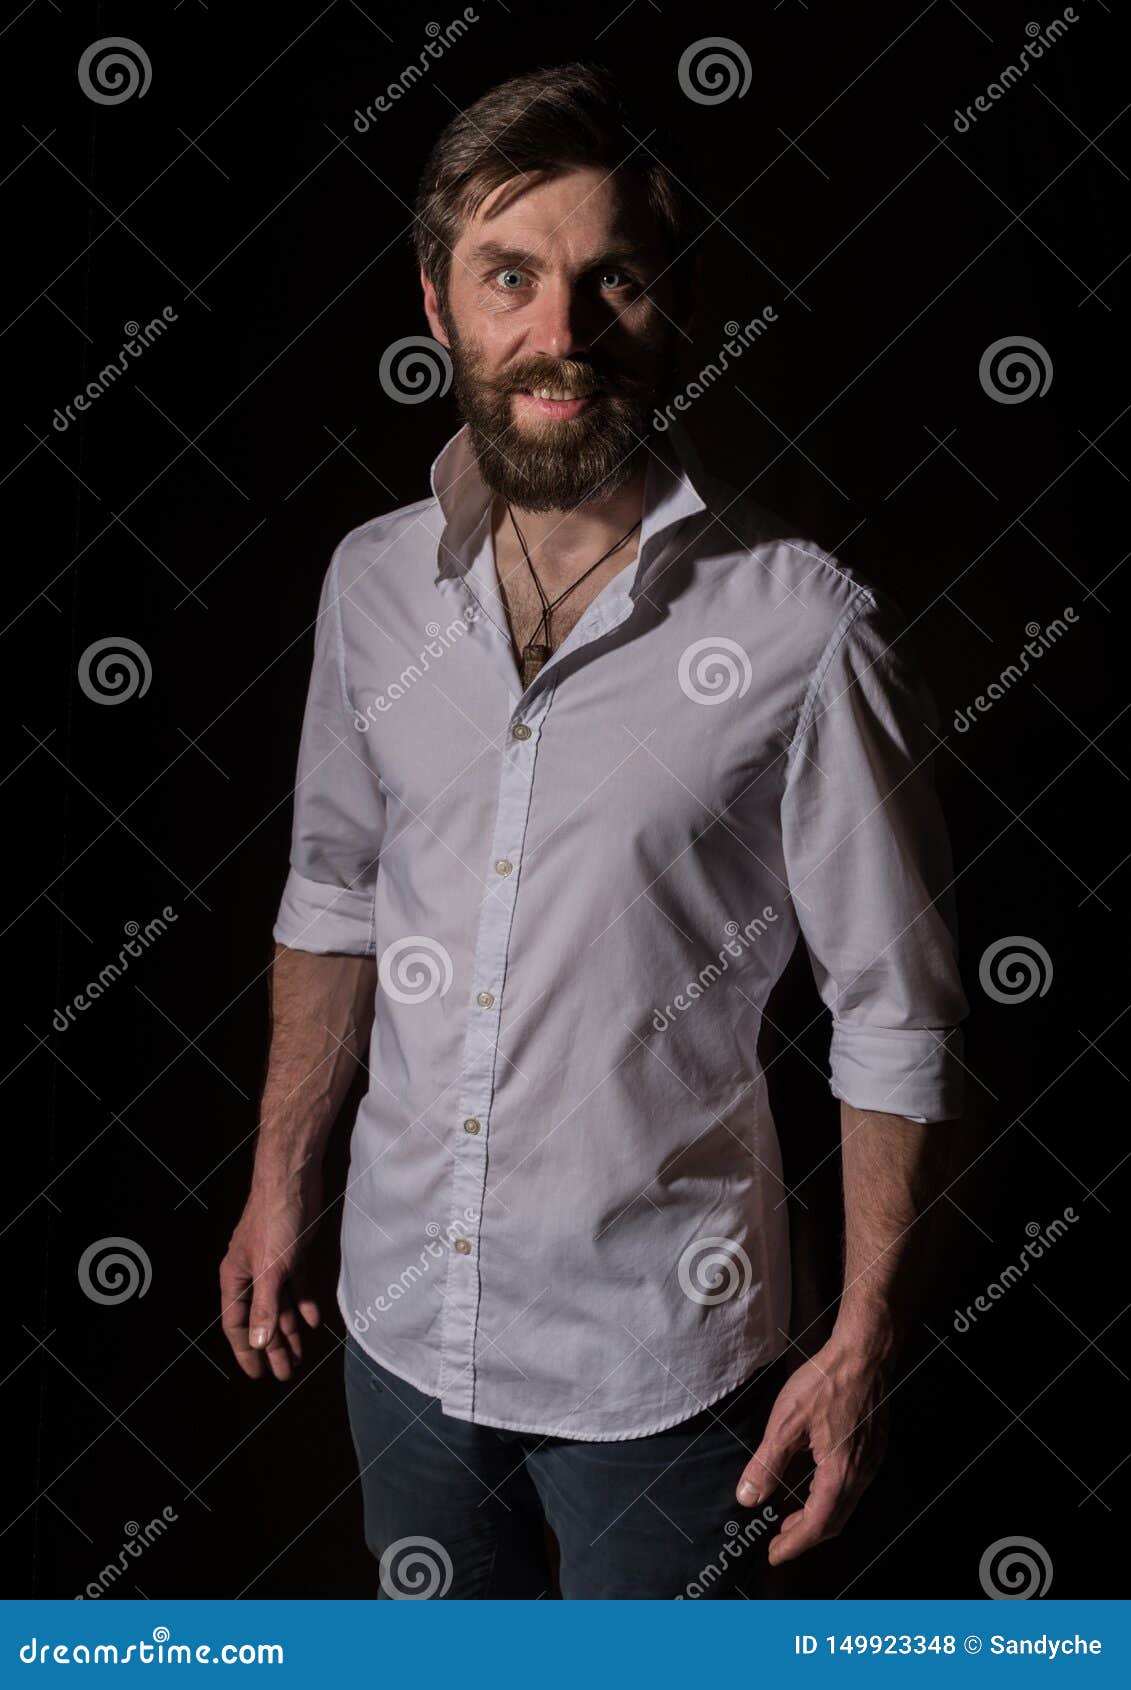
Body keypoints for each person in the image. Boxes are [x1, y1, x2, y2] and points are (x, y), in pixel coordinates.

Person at [220, 62, 969, 1600]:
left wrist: (863, 1341)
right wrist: (281, 1181)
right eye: (511, 277)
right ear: (438, 304)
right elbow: (335, 889)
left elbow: (896, 1012)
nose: (559, 336)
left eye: (608, 279)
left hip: (662, 1370)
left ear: (677, 305)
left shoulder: (803, 631)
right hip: (400, 1328)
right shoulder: (370, 587)